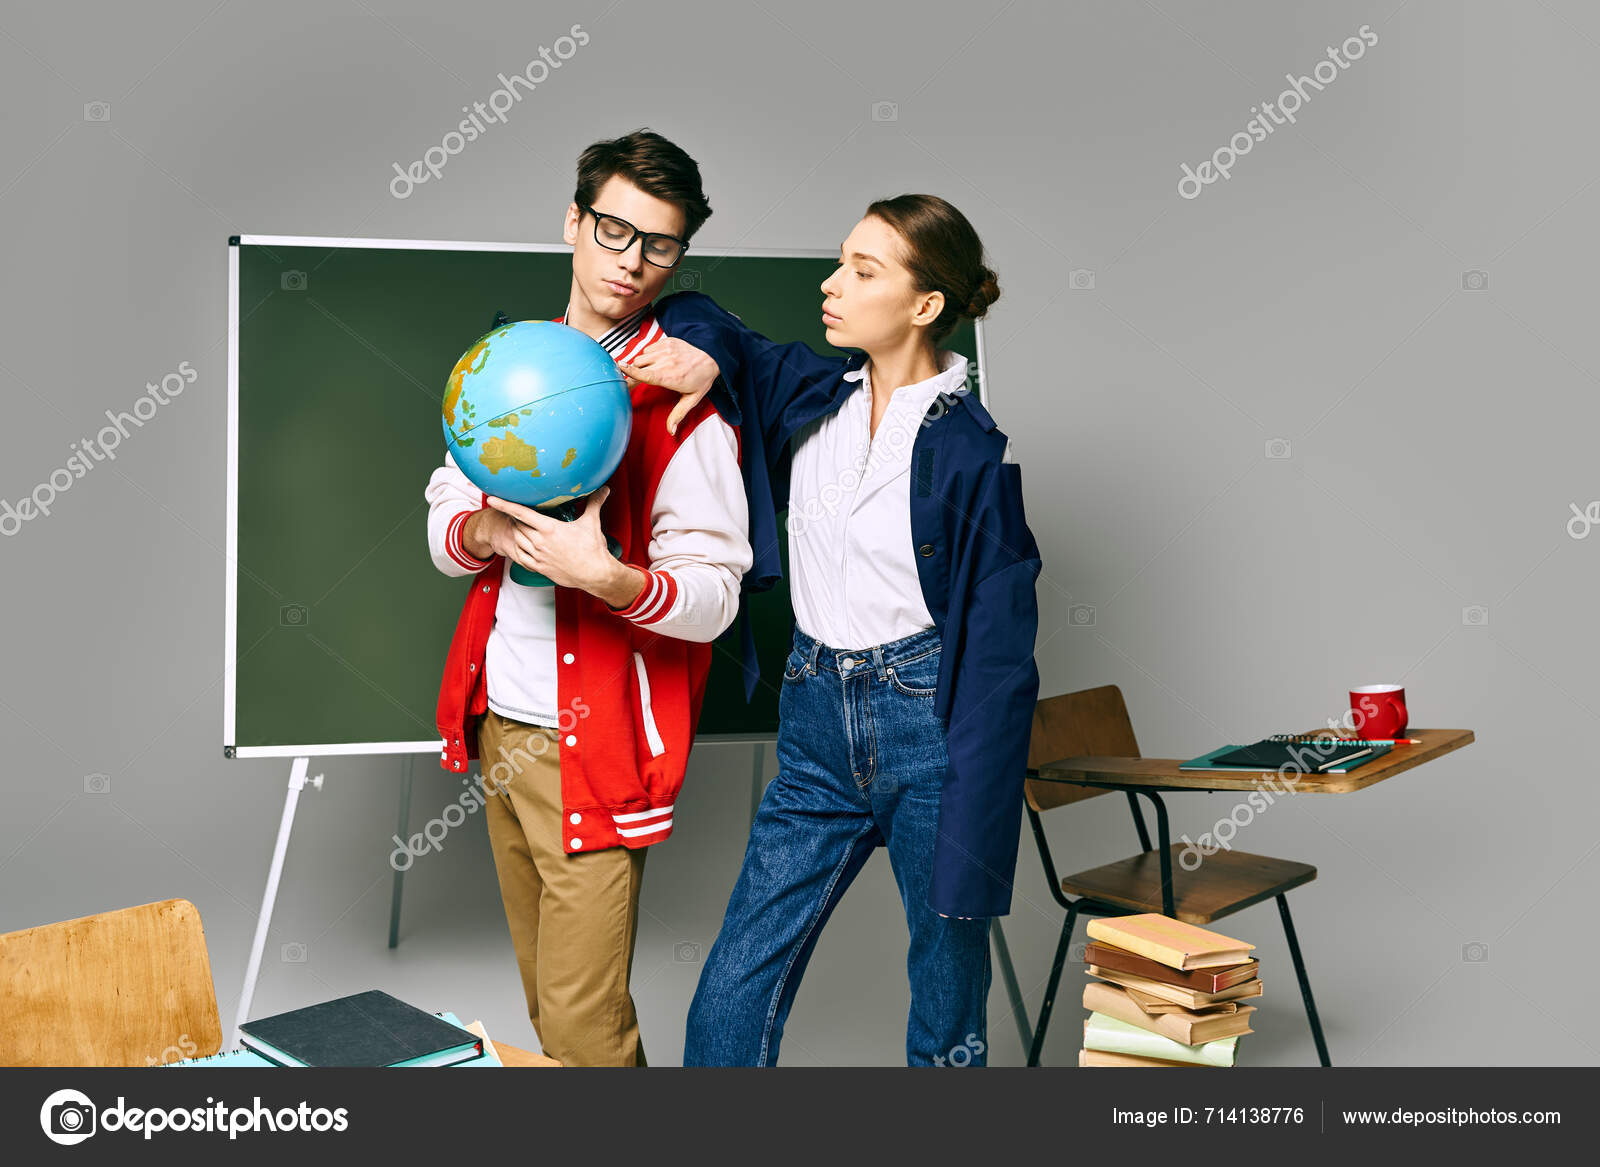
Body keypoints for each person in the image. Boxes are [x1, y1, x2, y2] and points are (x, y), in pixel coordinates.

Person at [629, 194, 1042, 1065]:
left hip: (931, 728)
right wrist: (706, 357)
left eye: (863, 270)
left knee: (946, 1010)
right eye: (839, 261)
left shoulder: (975, 452)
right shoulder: (810, 391)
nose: (832, 283)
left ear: (924, 305)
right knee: (735, 986)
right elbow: (697, 311)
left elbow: (1002, 665)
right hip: (815, 717)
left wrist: (976, 839)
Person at [423, 129, 752, 1066]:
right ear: (573, 222)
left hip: (596, 747)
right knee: (553, 1013)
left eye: (661, 244)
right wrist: (486, 530)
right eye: (614, 230)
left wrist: (605, 577)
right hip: (499, 727)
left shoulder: (686, 399)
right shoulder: (509, 370)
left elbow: (716, 595)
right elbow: (448, 509)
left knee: (582, 1027)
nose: (634, 262)